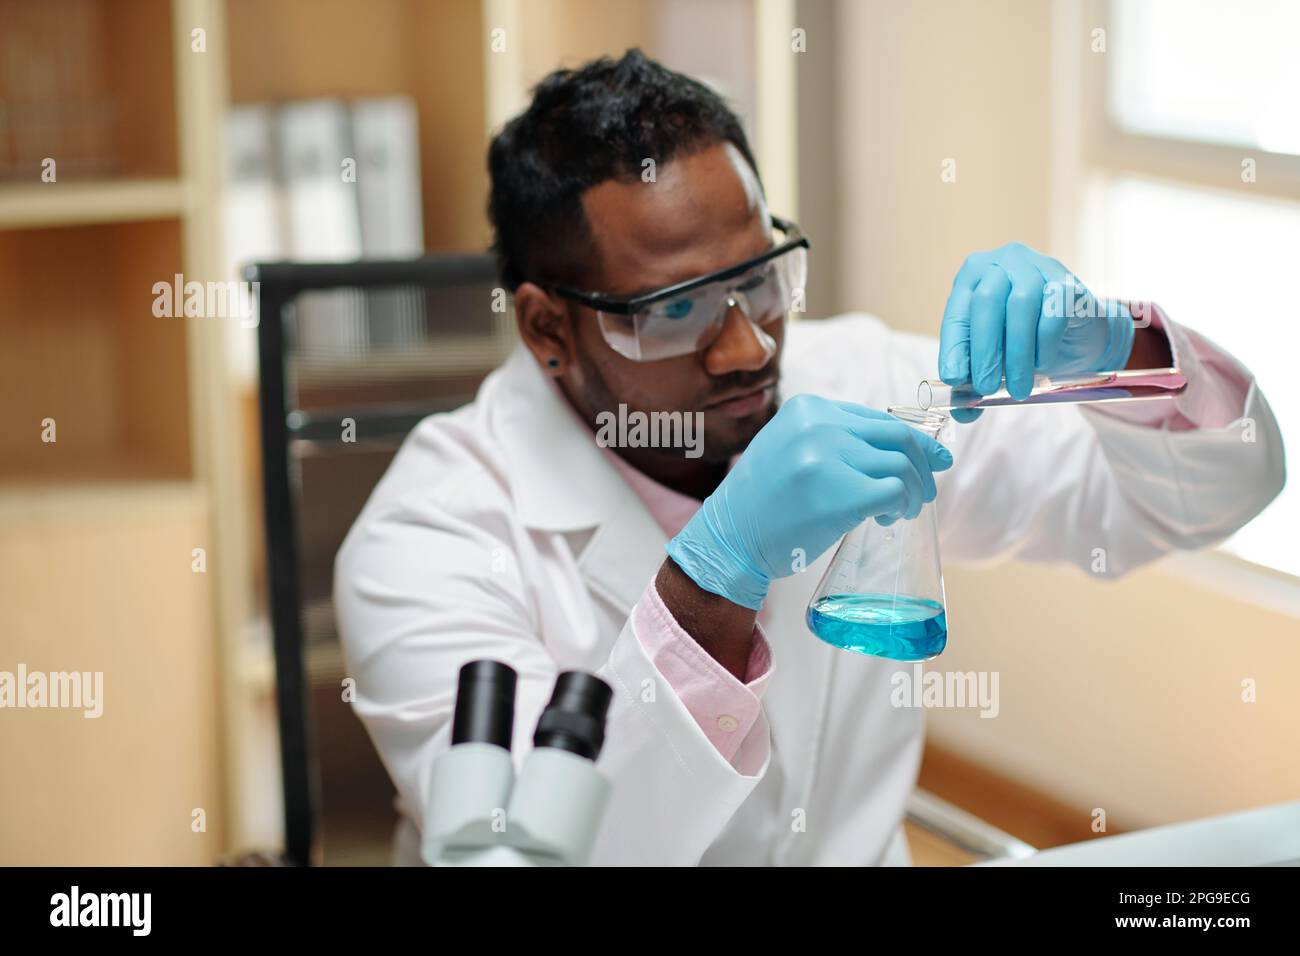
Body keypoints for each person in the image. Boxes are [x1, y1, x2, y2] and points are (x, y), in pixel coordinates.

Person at [334, 50, 1285, 865]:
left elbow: (1199, 499)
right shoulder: (430, 538)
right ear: (546, 326)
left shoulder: (857, 378)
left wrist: (1120, 352)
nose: (749, 347)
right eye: (677, 309)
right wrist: (712, 582)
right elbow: (562, 851)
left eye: (760, 280)